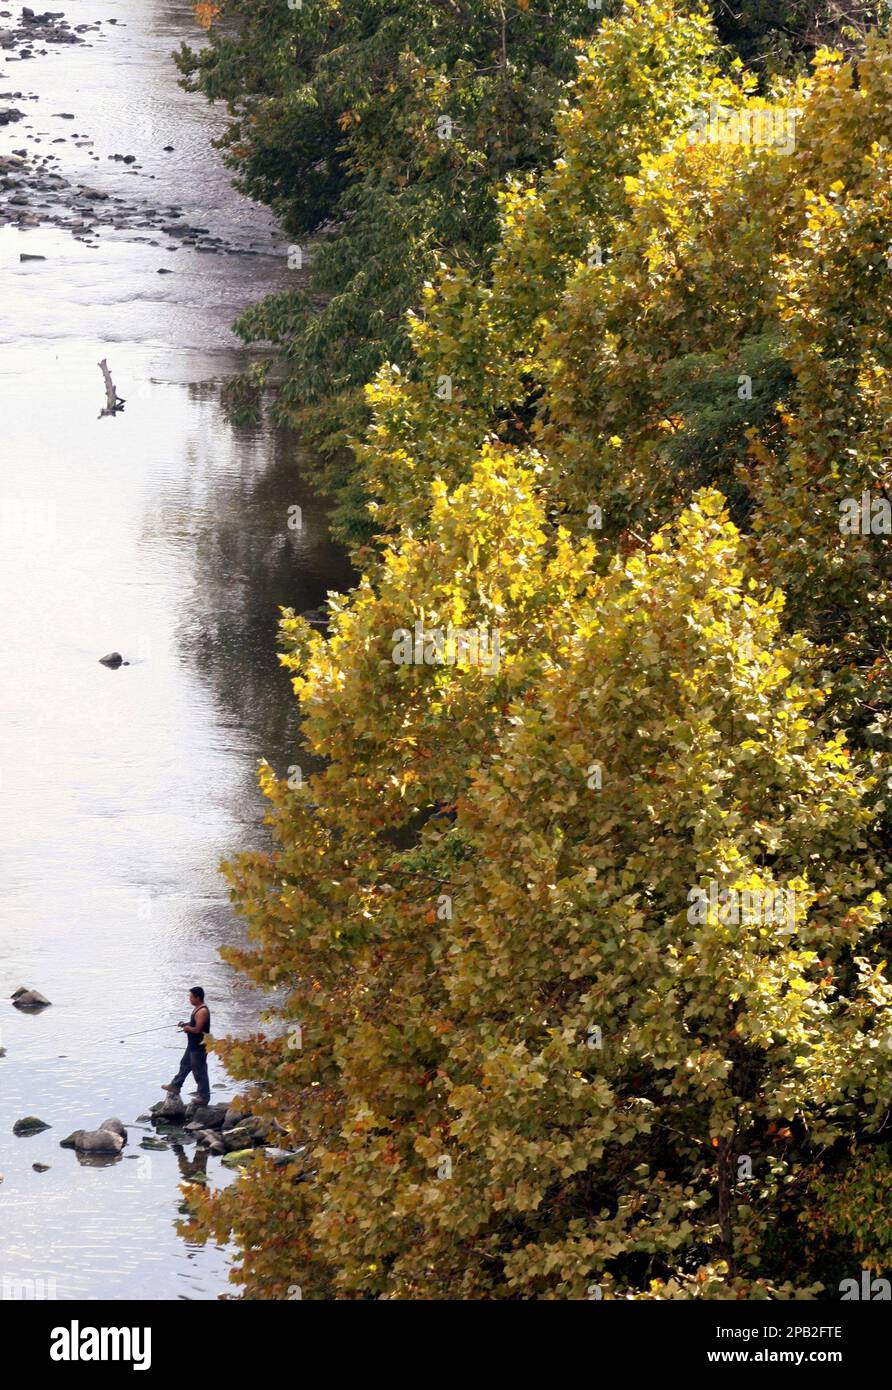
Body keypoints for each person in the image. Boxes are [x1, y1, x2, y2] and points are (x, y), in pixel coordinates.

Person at [162, 986, 211, 1106]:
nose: (189, 999)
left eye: (191, 997)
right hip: (192, 1045)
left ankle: (204, 1097)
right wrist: (185, 1024)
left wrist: (188, 1028)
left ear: (197, 997)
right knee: (184, 1064)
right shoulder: (197, 1009)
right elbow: (195, 1023)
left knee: (199, 1071)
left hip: (199, 1046)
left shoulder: (203, 1011)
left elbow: (198, 1029)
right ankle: (175, 1085)